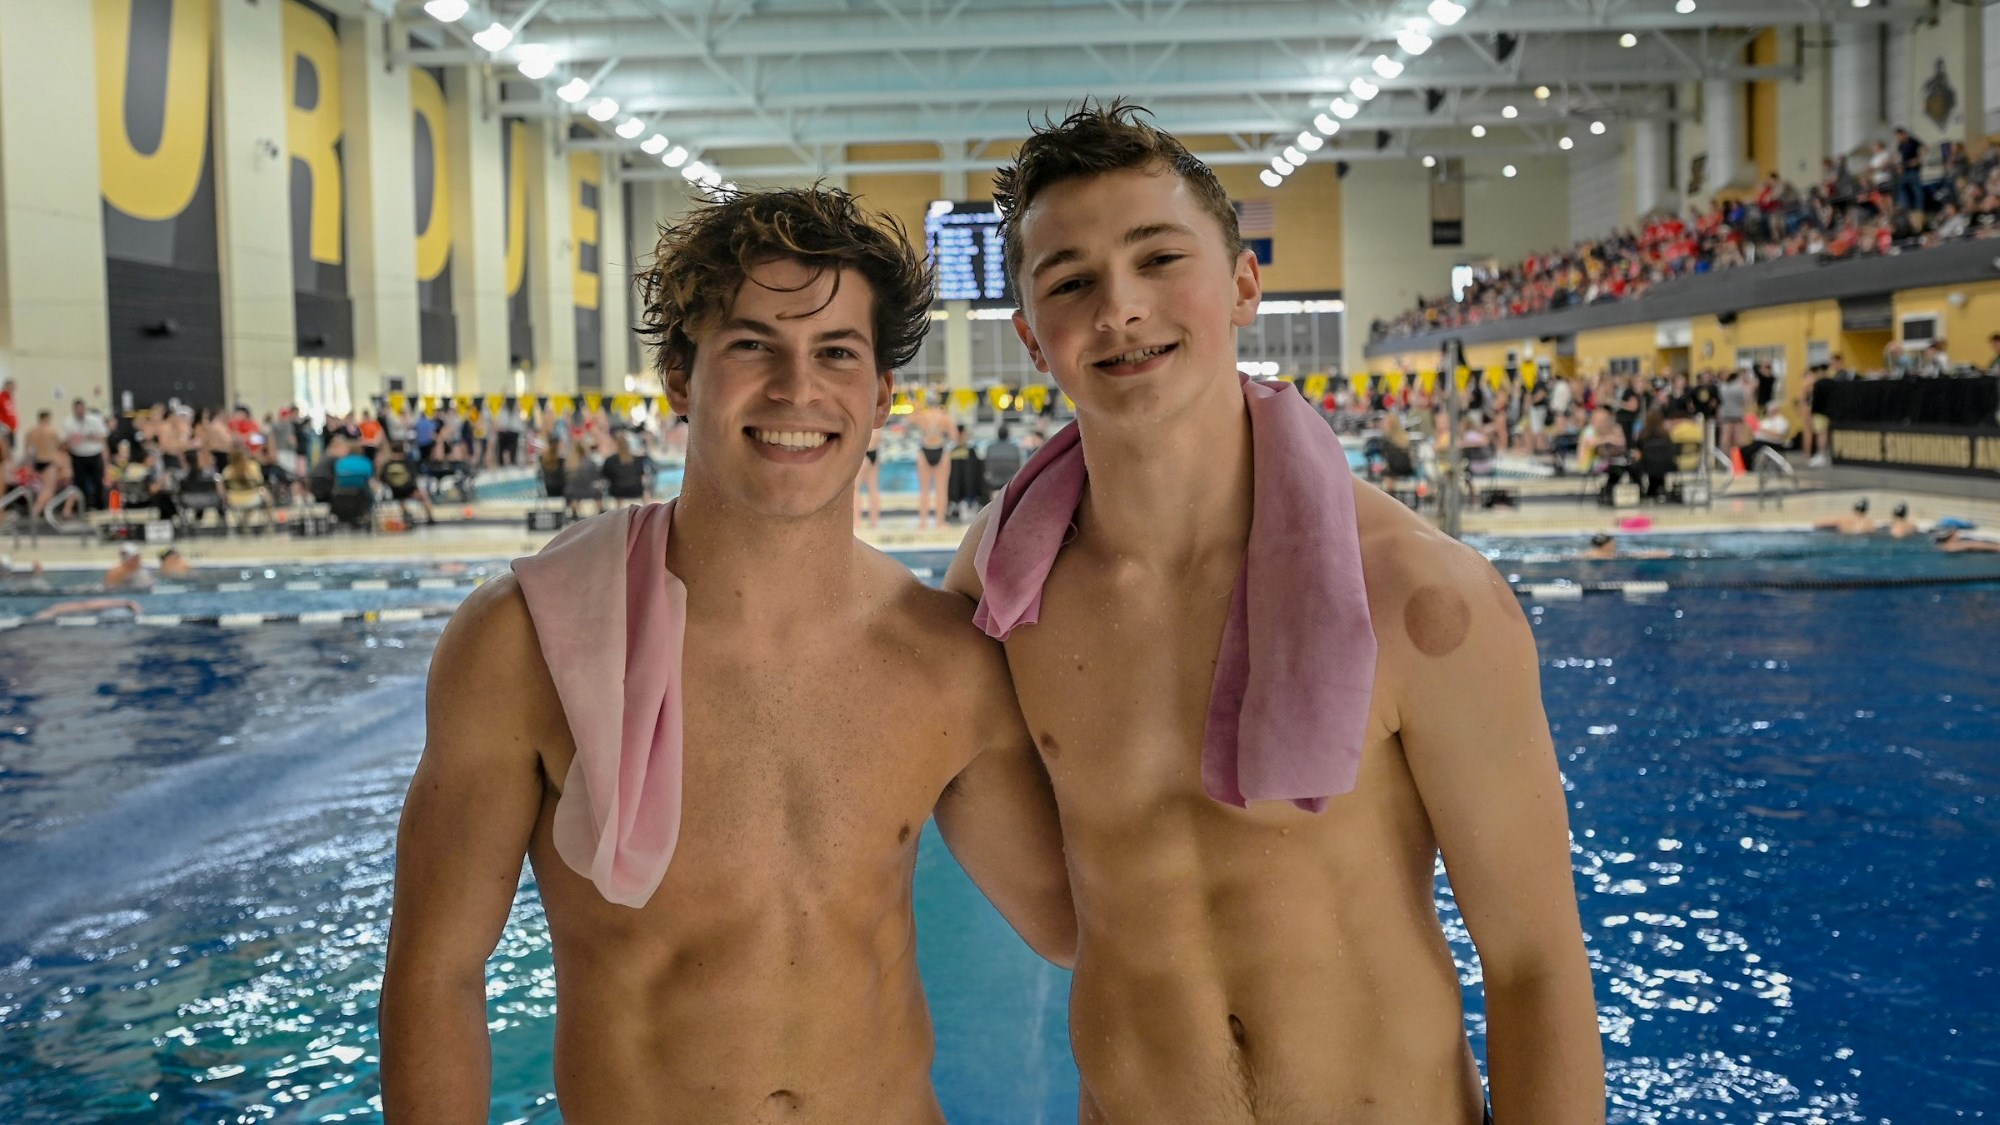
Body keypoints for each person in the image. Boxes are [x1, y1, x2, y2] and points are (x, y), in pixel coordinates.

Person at [949, 102, 1601, 1123]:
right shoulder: (1000, 599)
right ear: (1033, 339)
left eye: (1158, 258)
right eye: (1070, 281)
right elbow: (1053, 916)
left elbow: (1532, 964)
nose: (1119, 307)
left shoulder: (1421, 601)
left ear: (1244, 283)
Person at [380, 186, 1073, 1123]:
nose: (797, 389)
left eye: (836, 353)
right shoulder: (528, 641)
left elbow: (1082, 927)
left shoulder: (946, 661)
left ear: (881, 397)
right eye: (752, 345)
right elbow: (436, 975)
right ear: (679, 374)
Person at [912, 395, 953, 529]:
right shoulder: (945, 416)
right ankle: (940, 522)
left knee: (924, 490)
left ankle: (922, 522)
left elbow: (908, 422)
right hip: (941, 449)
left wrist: (916, 408)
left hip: (925, 450)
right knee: (942, 490)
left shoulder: (922, 416)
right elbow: (955, 436)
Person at [62, 398, 109, 511]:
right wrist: (71, 441)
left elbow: (102, 437)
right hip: (78, 455)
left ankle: (100, 505)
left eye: (81, 408)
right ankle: (85, 506)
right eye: (77, 409)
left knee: (98, 481)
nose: (79, 411)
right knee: (80, 482)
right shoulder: (68, 422)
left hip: (94, 454)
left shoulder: (94, 420)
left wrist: (86, 437)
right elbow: (64, 443)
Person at [378, 442, 437, 526]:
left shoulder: (387, 464)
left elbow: (382, 479)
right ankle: (430, 518)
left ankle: (406, 514)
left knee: (401, 498)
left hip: (394, 491)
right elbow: (414, 477)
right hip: (409, 490)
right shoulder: (408, 463)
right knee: (423, 496)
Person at [1582, 532, 1671, 560]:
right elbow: (1638, 555)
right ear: (1606, 545)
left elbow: (1639, 554)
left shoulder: (1586, 554)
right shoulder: (1610, 555)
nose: (1614, 544)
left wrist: (1657, 553)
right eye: (1612, 543)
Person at [1934, 528, 2000, 553]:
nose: (1959, 536)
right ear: (1951, 537)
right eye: (1956, 534)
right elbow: (1970, 545)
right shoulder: (1953, 546)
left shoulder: (1939, 546)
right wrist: (1997, 547)